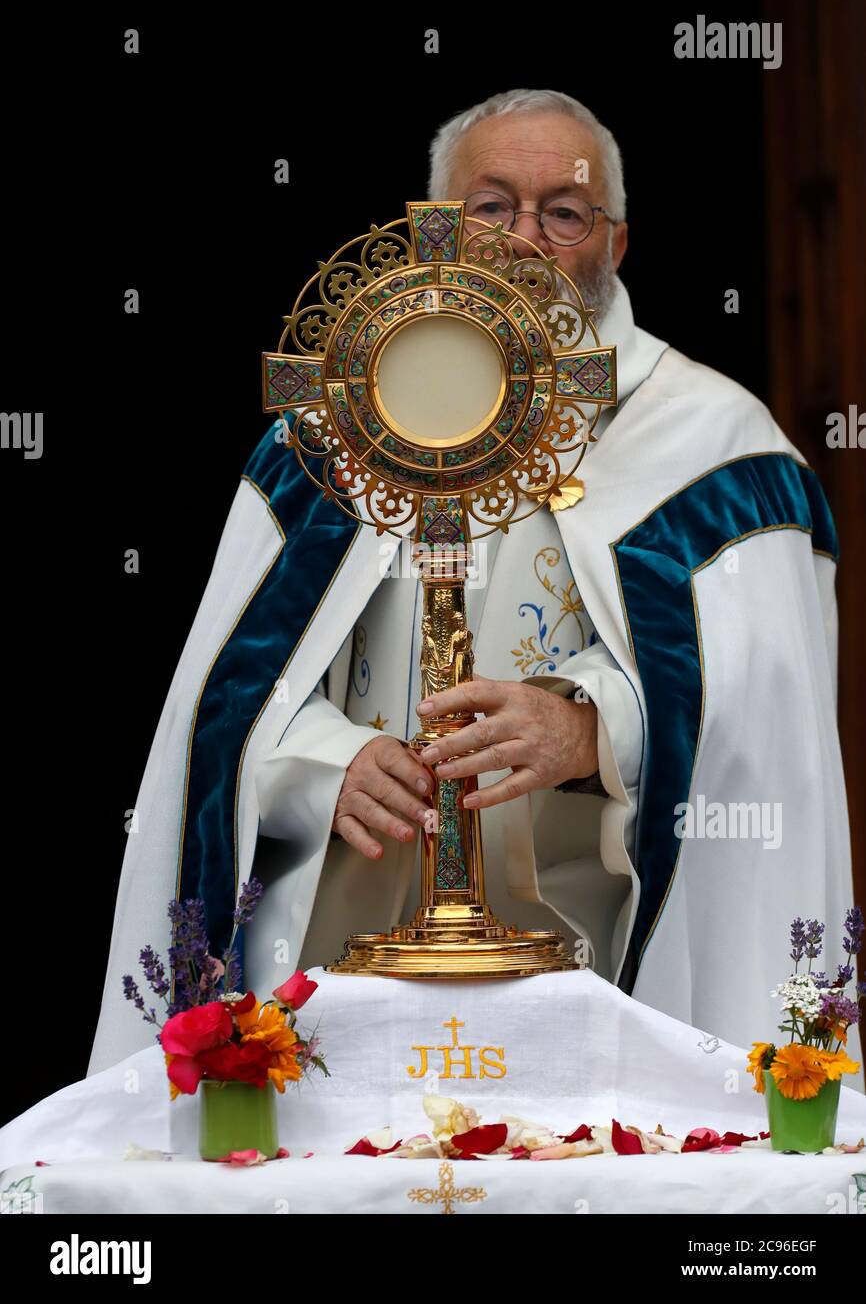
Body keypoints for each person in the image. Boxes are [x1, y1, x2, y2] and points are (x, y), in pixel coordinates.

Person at [87, 89, 862, 1089]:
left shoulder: (710, 445)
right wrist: (327, 766)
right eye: (489, 208)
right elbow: (225, 702)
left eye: (563, 211)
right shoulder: (322, 434)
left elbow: (766, 715)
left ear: (616, 244)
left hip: (602, 967)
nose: (524, 240)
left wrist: (592, 723)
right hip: (342, 968)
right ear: (431, 235)